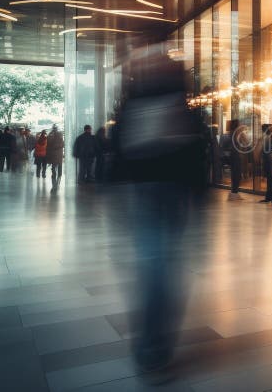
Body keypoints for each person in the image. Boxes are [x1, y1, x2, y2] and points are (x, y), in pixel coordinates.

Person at [111, 42, 207, 376]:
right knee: (161, 266)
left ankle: (153, 346)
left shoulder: (136, 98)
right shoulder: (177, 99)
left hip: (150, 191)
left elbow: (121, 148)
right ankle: (155, 345)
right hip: (165, 191)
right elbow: (196, 149)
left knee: (155, 265)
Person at [260, 123, 272, 203]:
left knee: (270, 179)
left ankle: (270, 197)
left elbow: (264, 151)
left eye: (263, 130)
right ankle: (271, 197)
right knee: (271, 178)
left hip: (269, 160)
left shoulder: (268, 138)